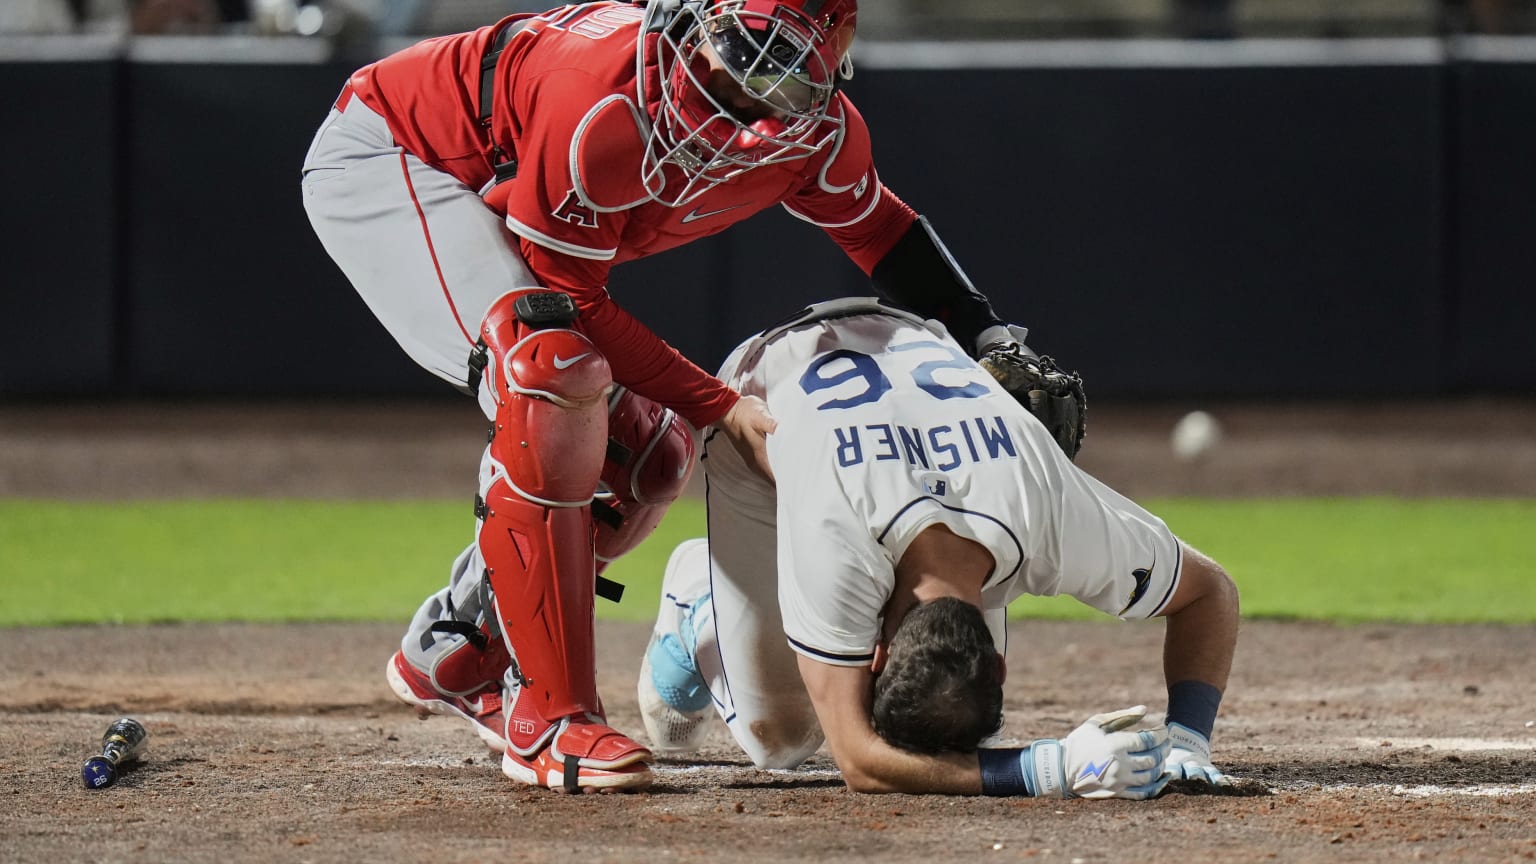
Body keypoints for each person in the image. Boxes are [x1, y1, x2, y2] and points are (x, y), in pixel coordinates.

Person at [301, 0, 1065, 794]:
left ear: (833, 54)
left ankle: (462, 648)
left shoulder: (822, 131)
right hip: (395, 156)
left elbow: (879, 228)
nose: (731, 92)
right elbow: (572, 301)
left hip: (493, 194)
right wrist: (719, 403)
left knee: (648, 461)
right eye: (733, 51)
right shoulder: (598, 96)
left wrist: (988, 338)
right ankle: (549, 722)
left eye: (774, 68)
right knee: (548, 372)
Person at [638, 297, 1240, 797]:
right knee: (784, 740)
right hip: (764, 392)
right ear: (874, 652)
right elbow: (858, 760)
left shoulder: (1054, 514)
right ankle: (699, 601)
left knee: (953, 722)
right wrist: (1045, 768)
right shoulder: (840, 545)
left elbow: (1210, 592)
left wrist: (1189, 741)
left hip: (902, 346)